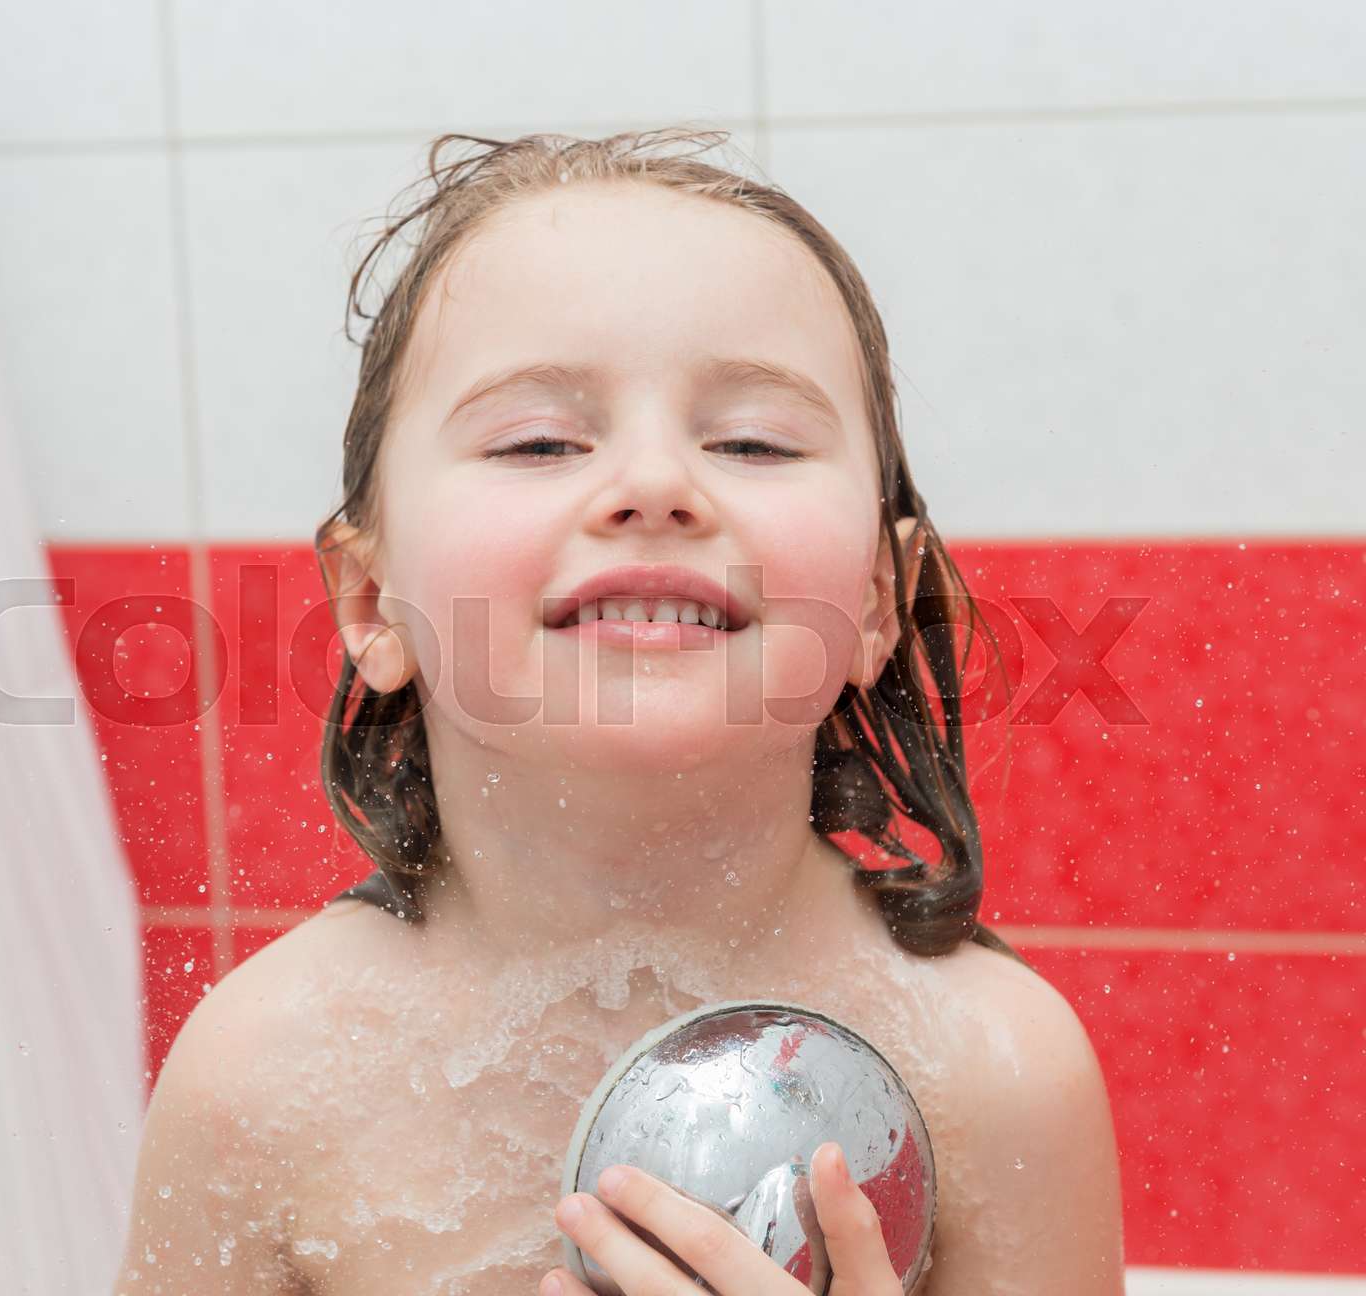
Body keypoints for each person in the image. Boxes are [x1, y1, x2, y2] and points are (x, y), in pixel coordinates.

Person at [112, 127, 1125, 1295]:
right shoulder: (269, 1079)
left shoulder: (989, 1072)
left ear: (878, 603)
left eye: (751, 440)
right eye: (539, 440)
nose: (653, 488)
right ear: (366, 600)